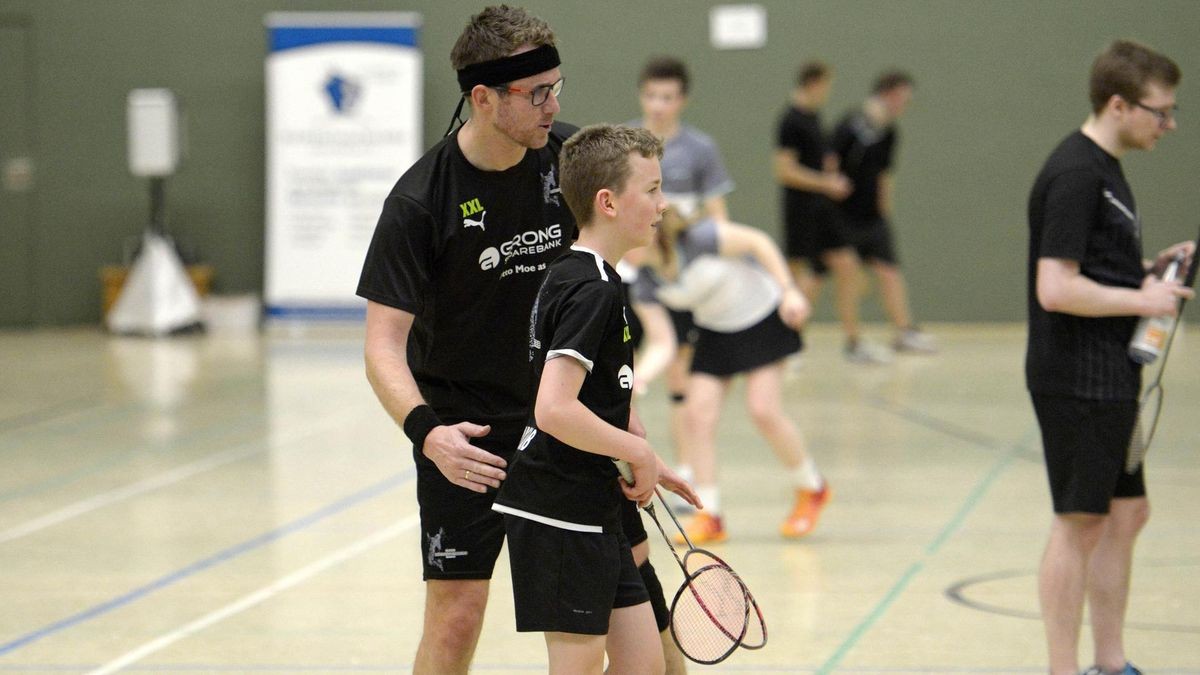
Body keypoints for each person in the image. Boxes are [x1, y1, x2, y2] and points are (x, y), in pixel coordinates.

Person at [355, 8, 676, 673]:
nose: (553, 105)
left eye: (556, 87)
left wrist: (628, 429)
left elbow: (596, 316)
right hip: (466, 439)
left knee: (643, 601)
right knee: (457, 615)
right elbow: (383, 344)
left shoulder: (569, 163)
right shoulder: (420, 201)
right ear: (482, 98)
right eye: (537, 94)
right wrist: (428, 433)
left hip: (569, 433)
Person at [493, 124, 701, 675]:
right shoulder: (592, 289)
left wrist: (632, 435)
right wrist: (639, 456)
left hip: (593, 503)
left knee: (644, 666)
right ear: (608, 202)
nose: (663, 204)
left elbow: (594, 389)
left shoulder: (577, 272)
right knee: (577, 667)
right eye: (652, 190)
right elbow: (554, 408)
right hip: (557, 510)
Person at [1026, 39, 1192, 675]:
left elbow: (1091, 269)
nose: (1169, 125)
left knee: (1128, 513)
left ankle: (1110, 662)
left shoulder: (1108, 169)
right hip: (1078, 377)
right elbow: (1056, 286)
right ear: (1119, 104)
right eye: (1160, 111)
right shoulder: (1077, 174)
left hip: (1111, 374)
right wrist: (1139, 295)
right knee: (1080, 524)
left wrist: (1142, 272)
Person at [636, 206, 830, 544]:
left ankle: (812, 487)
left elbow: (758, 242)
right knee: (697, 416)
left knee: (763, 410)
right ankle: (709, 514)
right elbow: (662, 343)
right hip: (715, 331)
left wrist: (789, 290)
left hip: (763, 318)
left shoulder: (697, 238)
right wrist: (639, 377)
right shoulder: (642, 280)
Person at [627, 55, 736, 495]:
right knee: (638, 367)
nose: (658, 105)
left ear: (682, 100)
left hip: (680, 284)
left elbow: (719, 220)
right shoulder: (626, 145)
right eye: (651, 95)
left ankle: (686, 469)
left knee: (680, 377)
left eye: (667, 97)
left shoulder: (700, 150)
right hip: (635, 279)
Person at [774, 60, 879, 362]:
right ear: (814, 83)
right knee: (805, 278)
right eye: (826, 86)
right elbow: (785, 170)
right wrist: (825, 183)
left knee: (844, 267)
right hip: (804, 212)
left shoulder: (813, 117)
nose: (828, 92)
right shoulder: (790, 121)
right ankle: (786, 343)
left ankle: (852, 341)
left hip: (823, 211)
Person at [831, 70, 936, 355]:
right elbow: (830, 162)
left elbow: (884, 176)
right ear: (888, 93)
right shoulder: (850, 124)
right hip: (841, 215)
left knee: (889, 271)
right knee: (840, 277)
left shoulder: (890, 132)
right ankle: (852, 341)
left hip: (872, 217)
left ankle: (903, 332)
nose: (906, 104)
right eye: (903, 97)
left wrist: (884, 211)